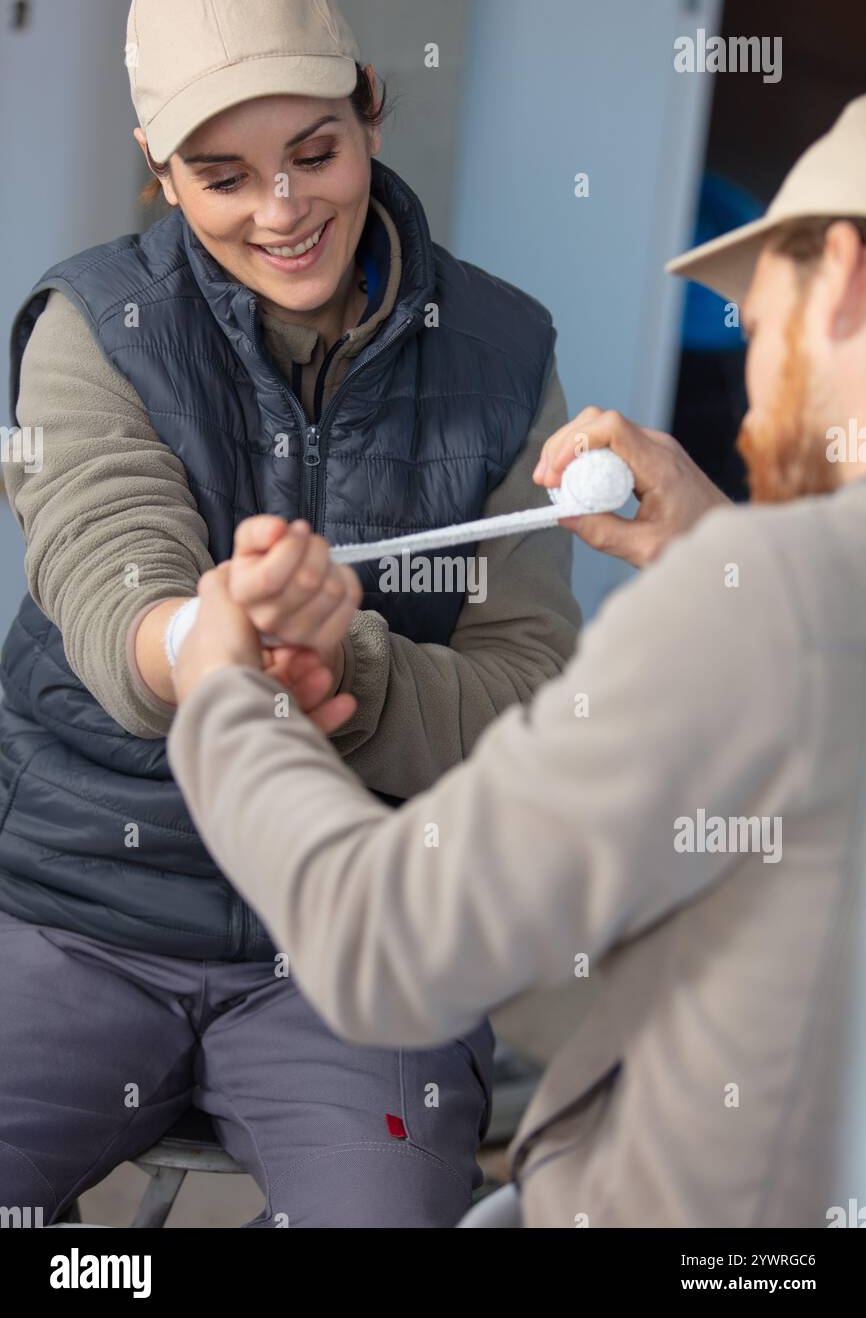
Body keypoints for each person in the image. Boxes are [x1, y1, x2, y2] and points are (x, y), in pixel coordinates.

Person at [167, 96, 866, 1227]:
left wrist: (224, 698)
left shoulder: (773, 604)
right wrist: (711, 550)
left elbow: (383, 943)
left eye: (757, 320)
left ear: (837, 276)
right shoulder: (782, 598)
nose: (744, 406)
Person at [0, 0, 581, 1228]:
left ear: (370, 103)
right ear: (159, 171)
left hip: (353, 935)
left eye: (313, 151)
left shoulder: (499, 352)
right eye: (221, 176)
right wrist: (206, 640)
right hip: (72, 903)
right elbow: (107, 569)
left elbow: (529, 694)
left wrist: (348, 674)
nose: (279, 208)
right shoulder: (91, 324)